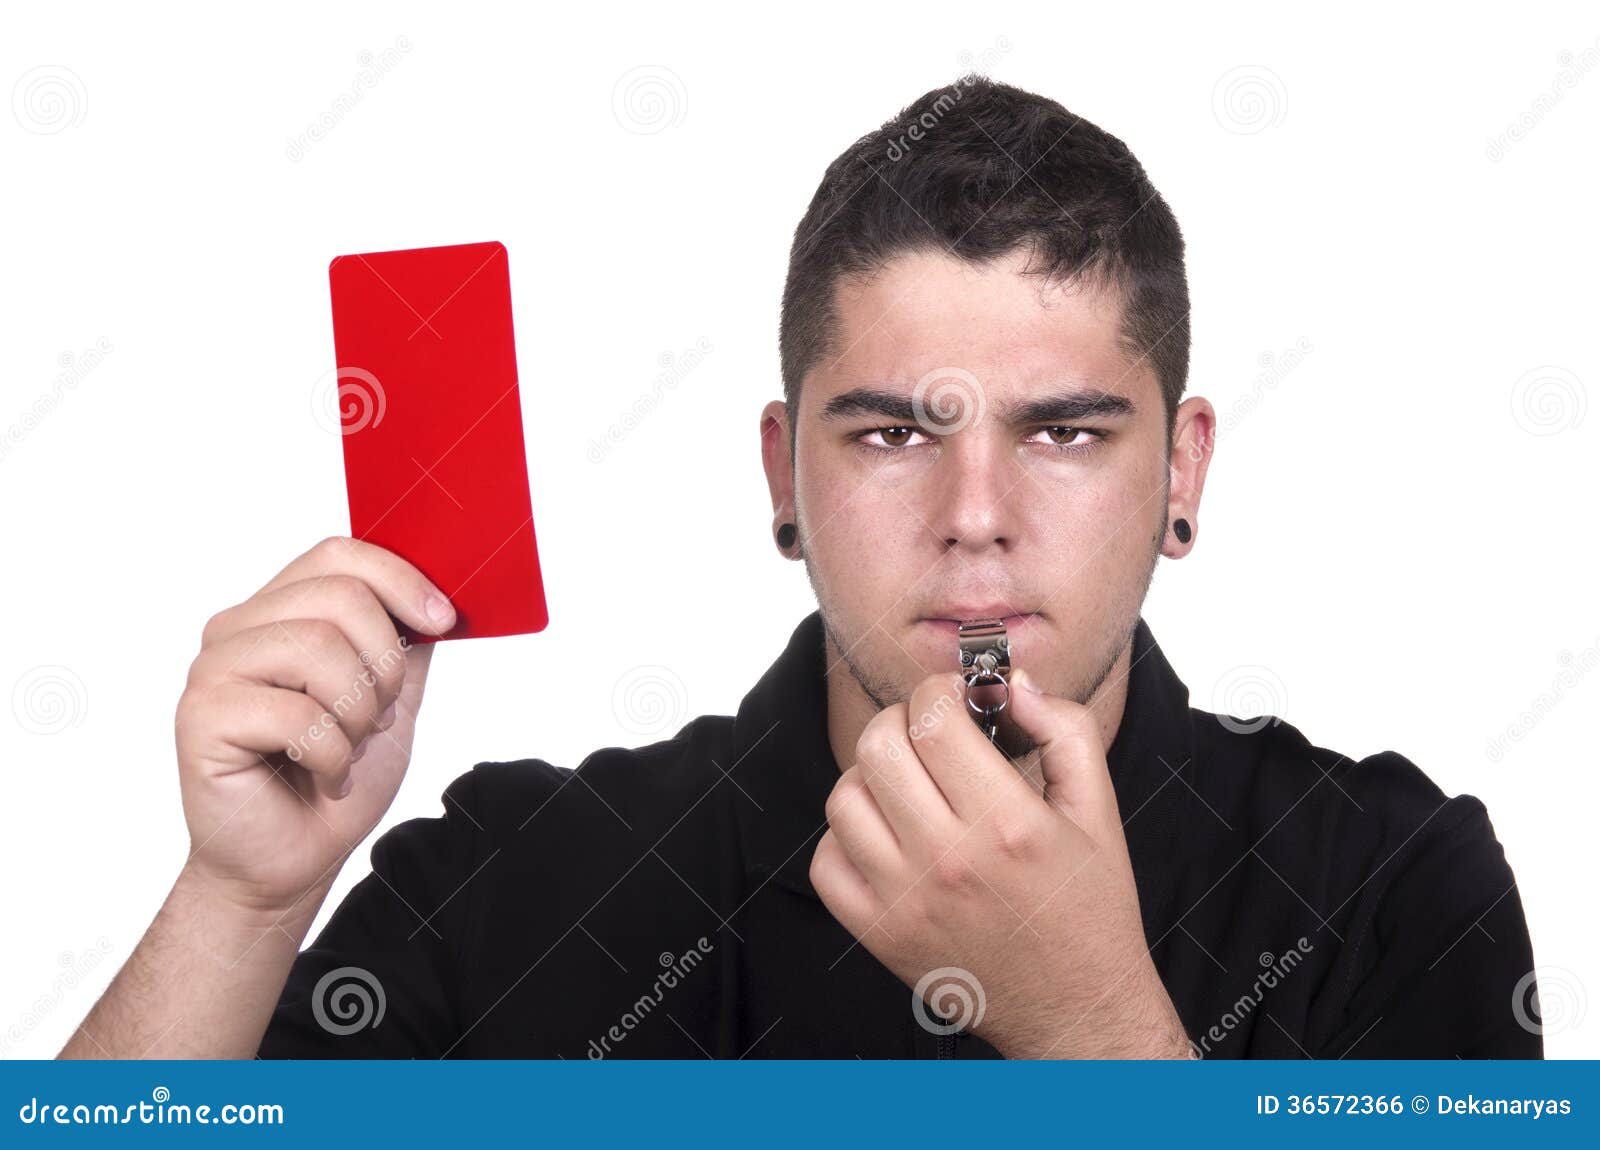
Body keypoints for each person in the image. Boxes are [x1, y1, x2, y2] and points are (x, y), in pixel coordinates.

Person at [60, 76, 1538, 1060]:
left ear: (1182, 471)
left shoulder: (1400, 888)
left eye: (1067, 431)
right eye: (893, 432)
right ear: (783, 474)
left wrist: (1094, 1029)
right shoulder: (510, 880)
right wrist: (240, 899)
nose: (976, 513)